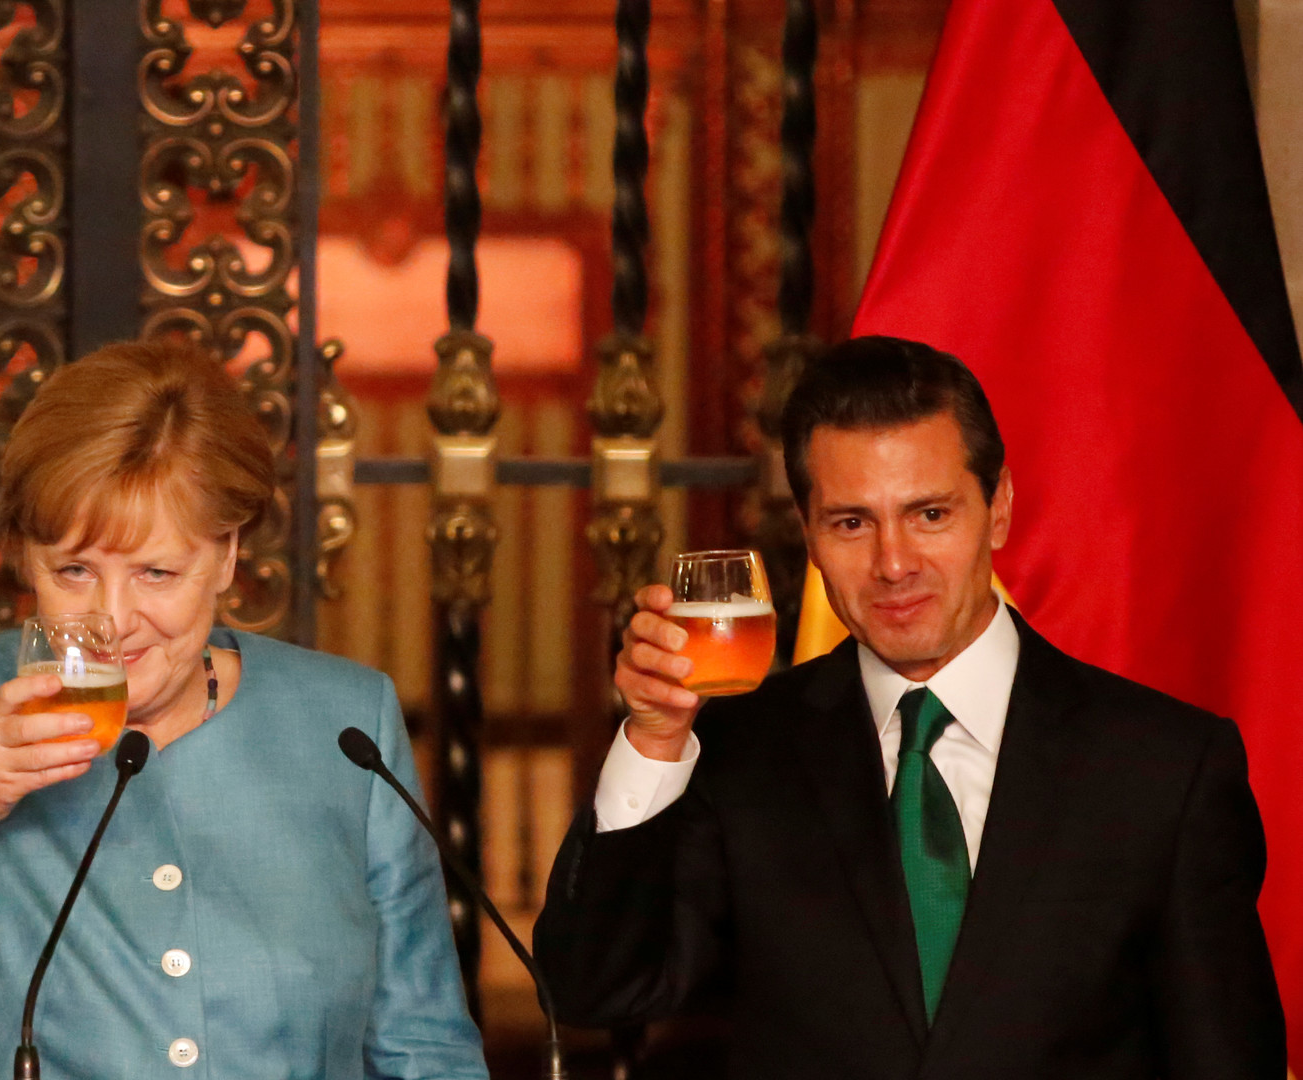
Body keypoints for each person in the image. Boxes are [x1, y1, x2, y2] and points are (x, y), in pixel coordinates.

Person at [0, 339, 488, 1080]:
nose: (112, 619)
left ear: (225, 555)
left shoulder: (345, 722)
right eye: (74, 570)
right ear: (25, 555)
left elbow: (426, 1052)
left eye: (156, 572)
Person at [534, 336, 1285, 1077]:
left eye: (929, 514)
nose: (894, 564)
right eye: (852, 523)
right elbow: (598, 986)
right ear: (809, 537)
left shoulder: (1162, 769)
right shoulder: (739, 752)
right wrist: (655, 740)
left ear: (998, 510)